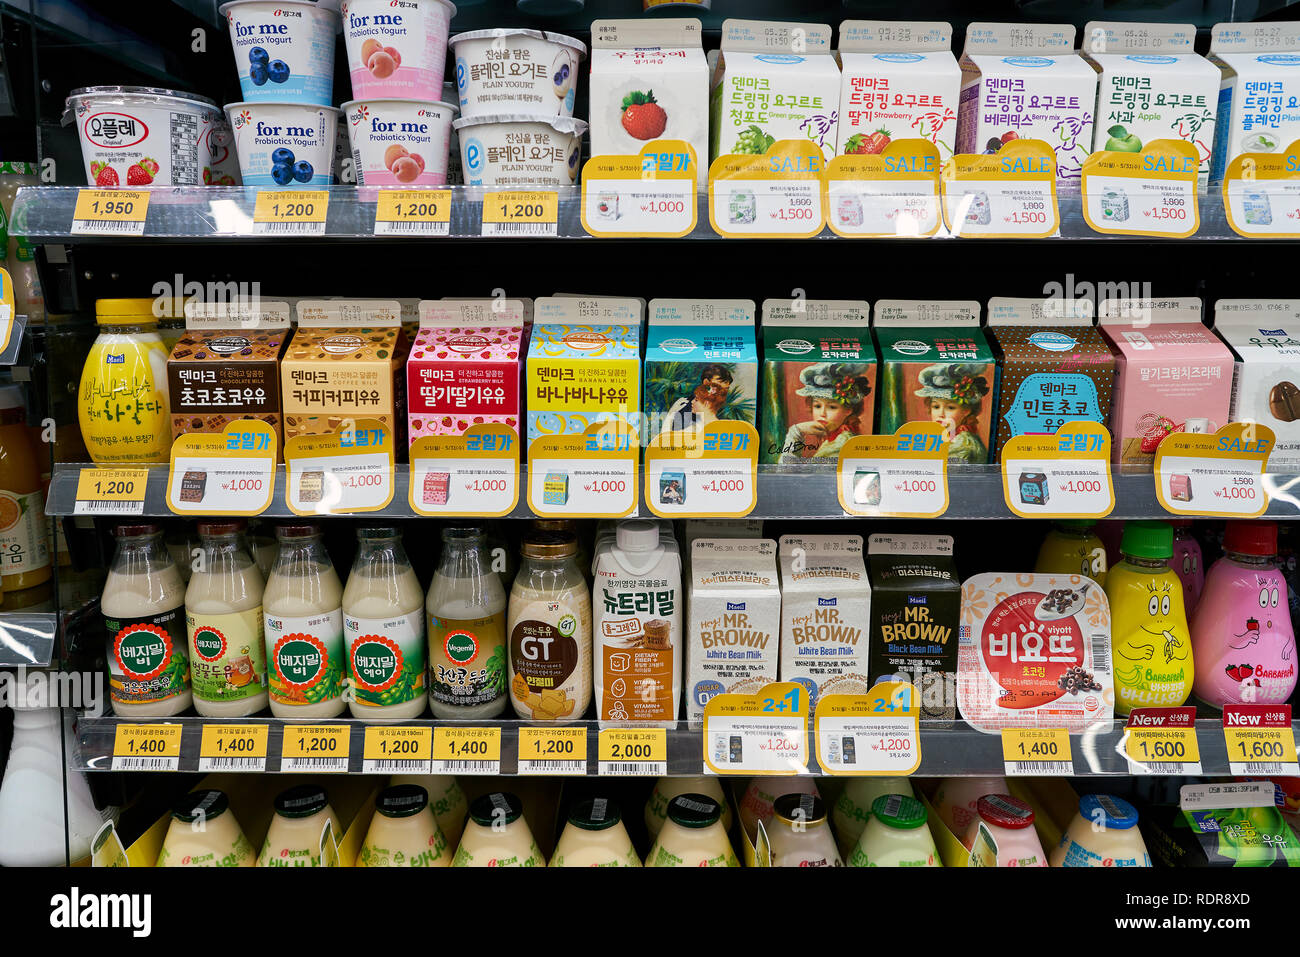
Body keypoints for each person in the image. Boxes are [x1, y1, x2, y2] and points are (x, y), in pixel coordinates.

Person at [778, 362, 872, 464]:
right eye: (817, 406)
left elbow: (786, 471)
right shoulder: (832, 440)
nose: (822, 413)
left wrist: (796, 432)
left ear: (848, 410)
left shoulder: (841, 444)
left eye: (832, 407)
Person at [914, 362, 991, 464]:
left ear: (966, 411)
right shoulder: (947, 436)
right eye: (936, 407)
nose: (941, 414)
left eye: (950, 408)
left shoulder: (964, 443)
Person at [660, 372, 730, 437]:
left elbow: (665, 440)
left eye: (696, 399)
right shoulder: (725, 428)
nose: (692, 401)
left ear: (706, 403)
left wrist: (671, 413)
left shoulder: (693, 430)